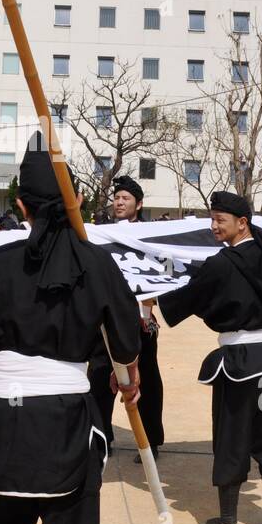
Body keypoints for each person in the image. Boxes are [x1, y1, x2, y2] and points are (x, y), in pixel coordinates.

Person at [0, 133, 141, 524]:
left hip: (5, 422)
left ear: (21, 205)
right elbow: (127, 342)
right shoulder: (97, 264)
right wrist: (128, 379)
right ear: (77, 199)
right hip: (68, 423)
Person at [146, 191, 262, 524]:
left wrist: (152, 295)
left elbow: (184, 302)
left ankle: (228, 523)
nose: (213, 226)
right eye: (212, 218)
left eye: (220, 219)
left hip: (238, 364)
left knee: (231, 441)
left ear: (242, 223)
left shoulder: (220, 265)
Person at [90, 175, 163, 463]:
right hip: (105, 321)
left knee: (147, 381)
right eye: (116, 198)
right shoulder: (101, 233)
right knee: (98, 376)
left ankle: (151, 440)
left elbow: (159, 277)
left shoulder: (149, 235)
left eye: (126, 199)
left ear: (139, 204)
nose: (119, 203)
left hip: (141, 321)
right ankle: (101, 435)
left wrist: (147, 310)